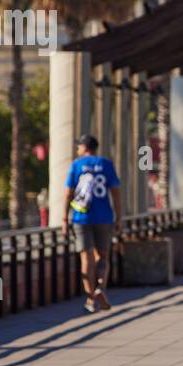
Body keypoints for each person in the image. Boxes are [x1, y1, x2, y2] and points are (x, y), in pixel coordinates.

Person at [63, 134, 121, 314]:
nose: (77, 150)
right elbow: (116, 193)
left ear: (83, 147)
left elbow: (68, 194)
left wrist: (65, 218)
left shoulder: (77, 165)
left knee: (85, 258)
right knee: (102, 256)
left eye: (78, 147)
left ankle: (90, 299)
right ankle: (100, 288)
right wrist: (118, 217)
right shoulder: (106, 164)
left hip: (81, 217)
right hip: (104, 217)